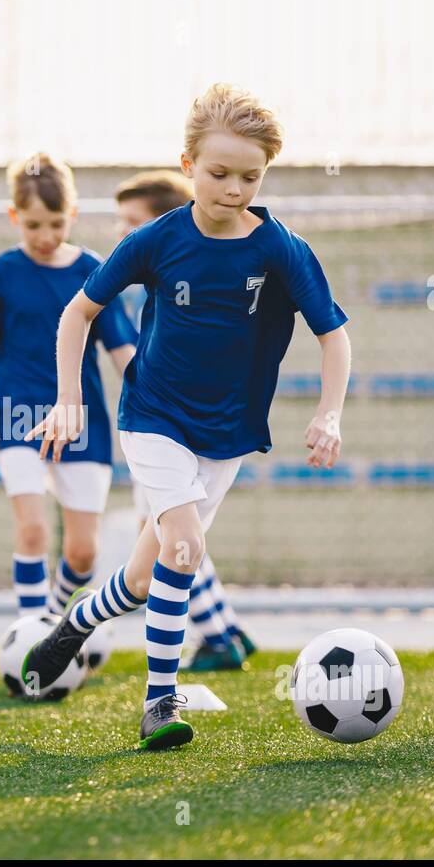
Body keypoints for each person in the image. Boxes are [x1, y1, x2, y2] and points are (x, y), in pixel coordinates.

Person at [22, 84, 352, 749]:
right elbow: (78, 313)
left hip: (226, 435)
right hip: (153, 416)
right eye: (219, 173)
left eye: (250, 178)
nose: (234, 189)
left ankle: (77, 621)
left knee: (146, 577)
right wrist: (68, 399)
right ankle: (159, 704)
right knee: (186, 547)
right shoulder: (156, 240)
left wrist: (330, 415)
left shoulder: (281, 249)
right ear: (188, 164)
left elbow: (334, 337)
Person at [0, 153, 135, 633]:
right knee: (31, 530)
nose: (46, 236)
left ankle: (55, 625)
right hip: (17, 418)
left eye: (56, 224)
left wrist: (163, 403)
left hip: (82, 423)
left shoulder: (94, 270)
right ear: (14, 216)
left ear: (73, 215)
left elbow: (123, 352)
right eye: (33, 225)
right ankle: (32, 637)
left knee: (83, 552)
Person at [114, 170, 258, 670]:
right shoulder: (147, 278)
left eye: (133, 222)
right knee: (178, 531)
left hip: (171, 427)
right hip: (161, 423)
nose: (124, 233)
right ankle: (224, 628)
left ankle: (218, 638)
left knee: (165, 533)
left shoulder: (180, 276)